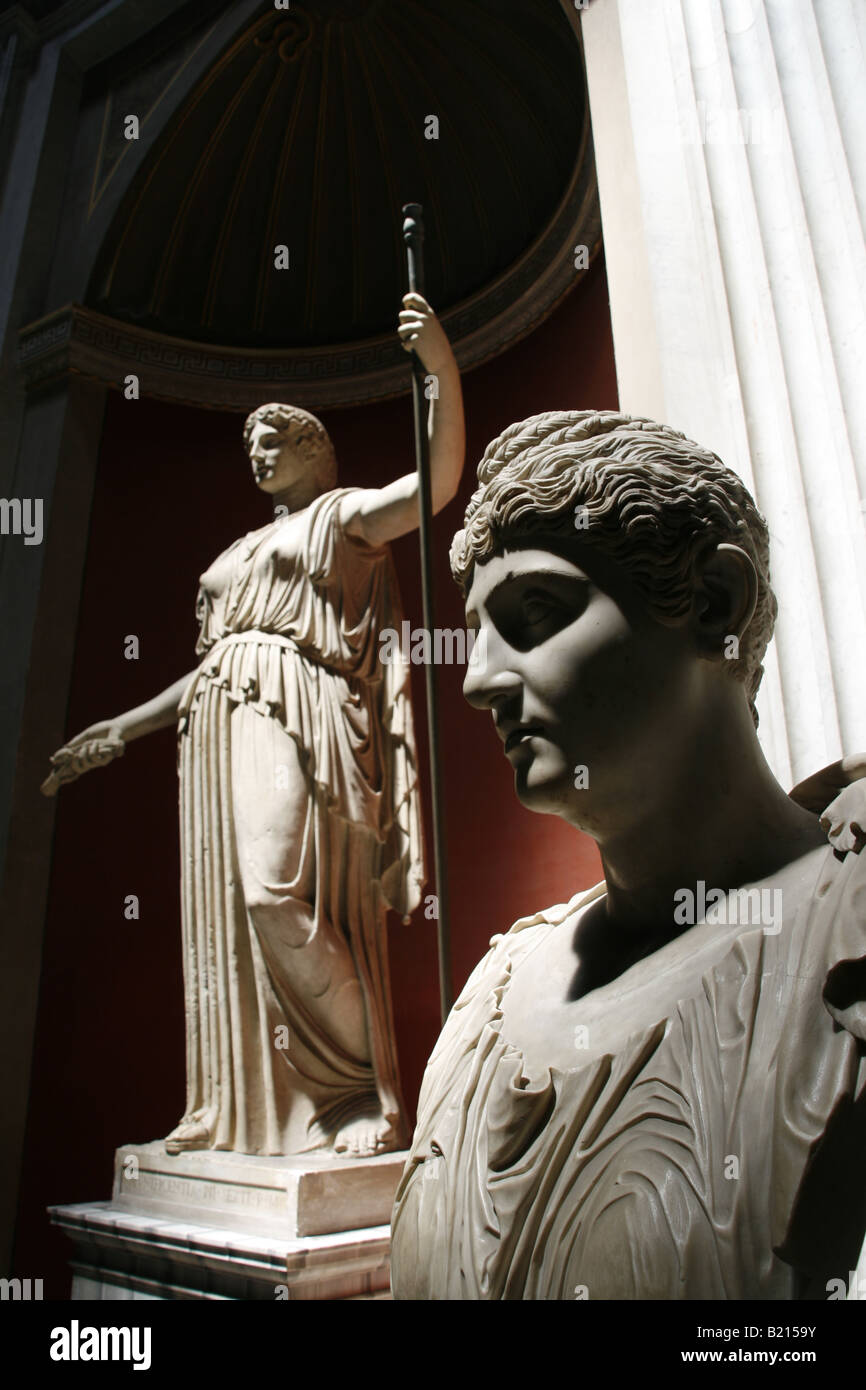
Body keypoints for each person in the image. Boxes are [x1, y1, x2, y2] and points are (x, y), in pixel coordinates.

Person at [391, 409, 866, 1297]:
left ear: (714, 607)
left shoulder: (848, 944)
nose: (476, 678)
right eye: (476, 631)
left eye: (535, 611)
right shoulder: (488, 1000)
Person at [42, 293, 465, 1159]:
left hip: (299, 709)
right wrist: (121, 727)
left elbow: (438, 486)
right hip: (218, 719)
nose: (255, 455)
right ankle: (236, 1116)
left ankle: (357, 1089)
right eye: (248, 447)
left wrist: (442, 372)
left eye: (271, 441)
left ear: (314, 446)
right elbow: (210, 664)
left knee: (273, 893)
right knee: (228, 923)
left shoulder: (338, 518)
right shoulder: (238, 553)